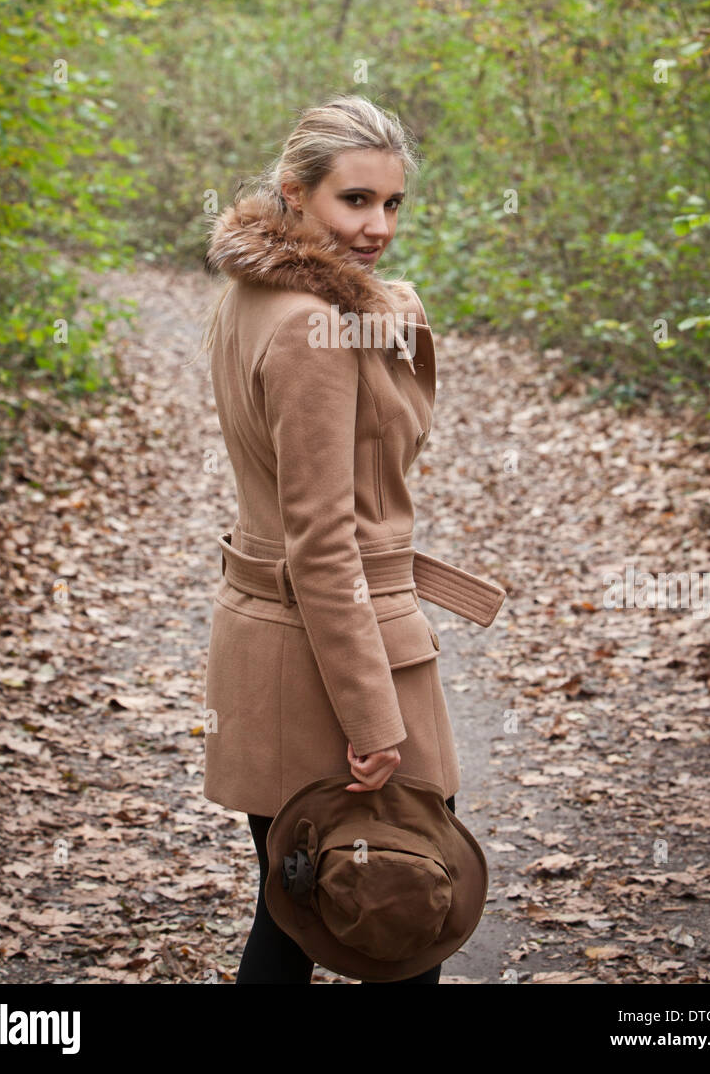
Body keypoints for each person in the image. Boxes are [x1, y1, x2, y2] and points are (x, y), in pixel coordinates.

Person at [201, 95, 462, 983]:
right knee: (407, 919)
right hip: (342, 662)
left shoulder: (251, 294)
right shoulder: (314, 326)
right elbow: (321, 543)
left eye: (393, 204)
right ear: (295, 194)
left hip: (271, 647)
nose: (380, 225)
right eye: (355, 201)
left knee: (295, 915)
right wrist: (373, 716)